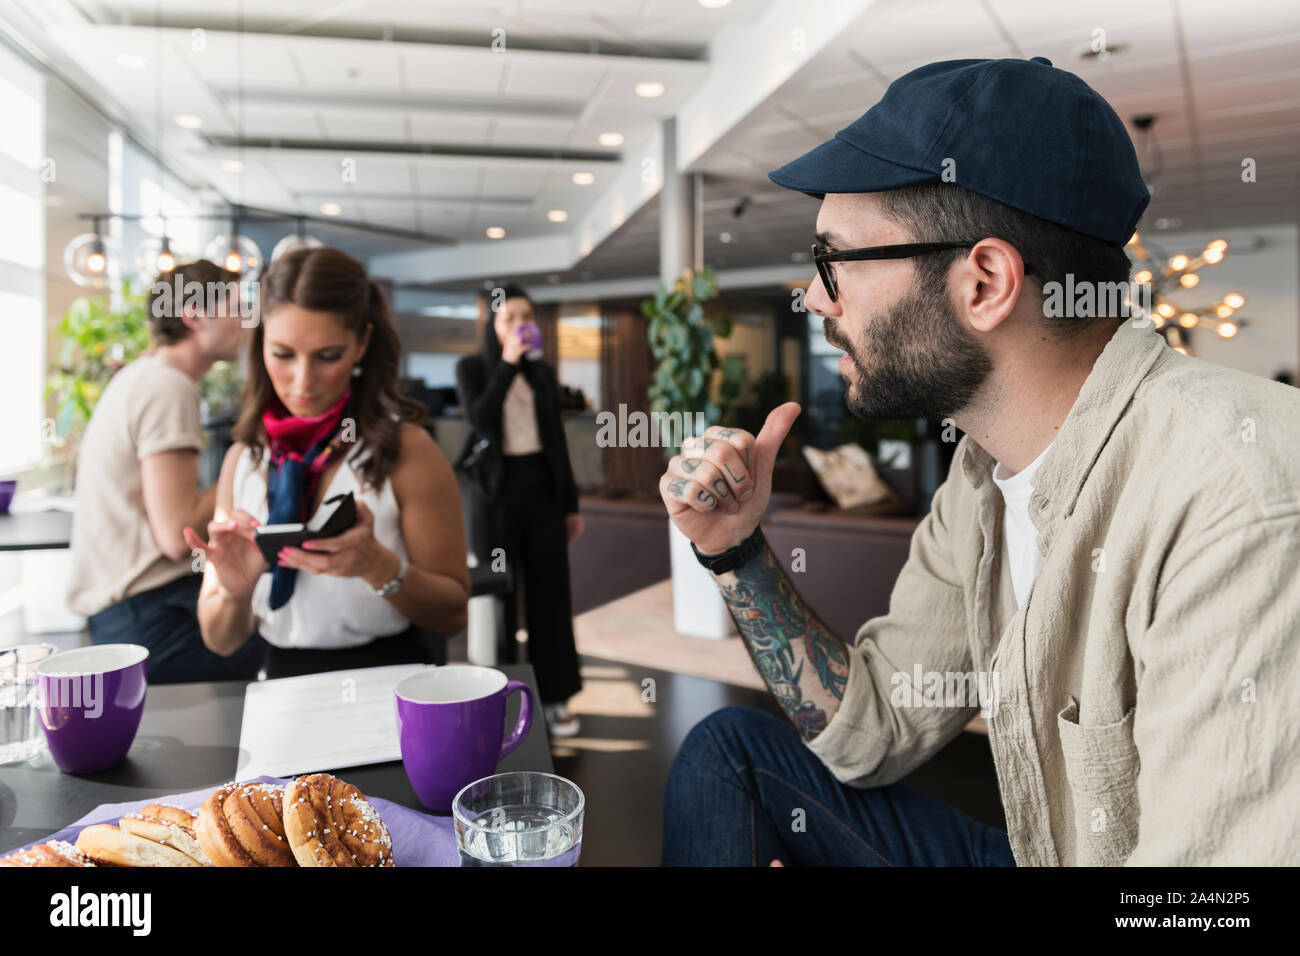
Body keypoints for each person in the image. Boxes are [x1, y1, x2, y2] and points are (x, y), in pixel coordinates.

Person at [658, 56, 1300, 866]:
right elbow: (873, 734)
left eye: (835, 261)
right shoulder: (982, 479)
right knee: (730, 752)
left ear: (987, 281)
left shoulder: (1240, 499)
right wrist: (734, 549)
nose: (816, 298)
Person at [183, 247, 469, 678]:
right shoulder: (244, 459)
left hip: (391, 678)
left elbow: (452, 614)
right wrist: (235, 592)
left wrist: (379, 566)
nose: (302, 382)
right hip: (281, 683)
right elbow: (220, 640)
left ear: (362, 345)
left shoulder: (408, 451)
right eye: (283, 354)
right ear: (260, 343)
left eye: (327, 356)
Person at [68, 260, 269, 684]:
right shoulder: (168, 386)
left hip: (128, 613)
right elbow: (176, 537)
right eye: (234, 307)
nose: (244, 322)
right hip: (149, 617)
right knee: (285, 641)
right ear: (194, 315)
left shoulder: (144, 376)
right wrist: (246, 467)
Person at [455, 285, 584, 737]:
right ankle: (501, 699)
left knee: (551, 595)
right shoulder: (472, 368)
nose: (518, 324)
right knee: (500, 600)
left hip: (542, 490)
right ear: (493, 324)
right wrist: (508, 363)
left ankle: (555, 696)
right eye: (509, 317)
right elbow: (480, 418)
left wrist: (571, 503)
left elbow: (557, 443)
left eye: (525, 316)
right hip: (495, 495)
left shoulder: (543, 374)